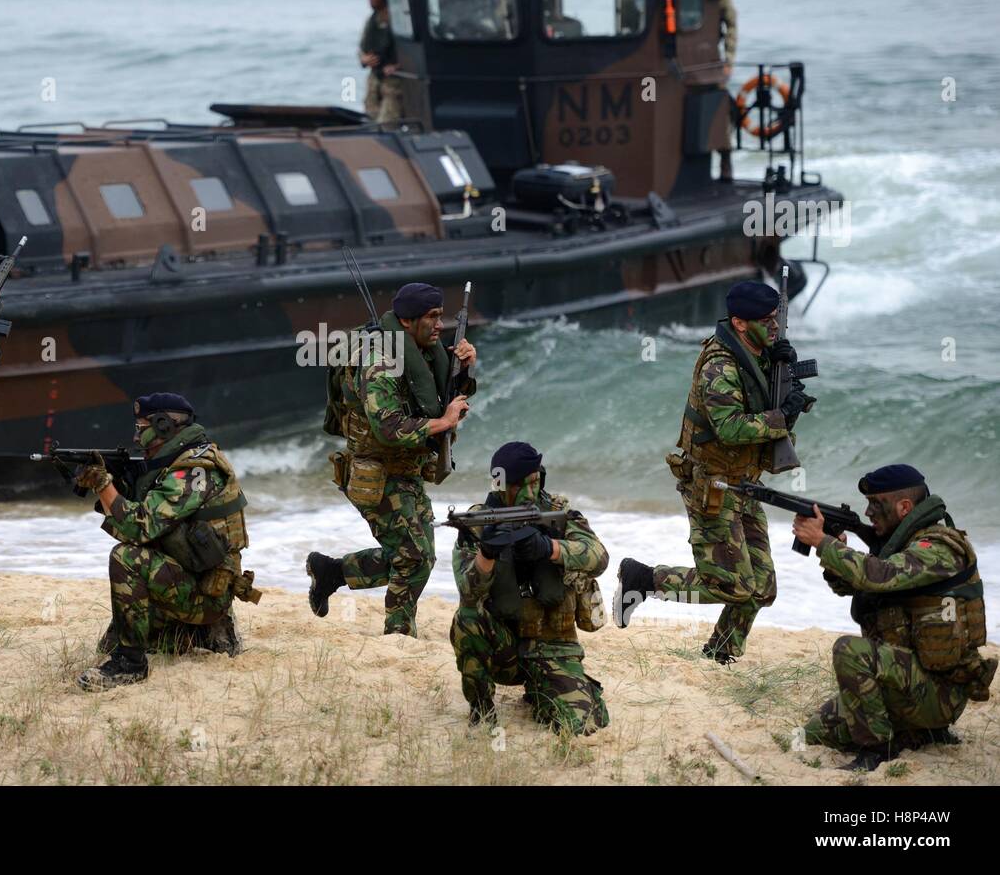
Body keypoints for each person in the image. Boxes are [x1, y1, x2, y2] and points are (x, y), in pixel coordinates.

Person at [614, 280, 814, 661]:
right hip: (714, 487)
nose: (774, 328)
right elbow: (732, 427)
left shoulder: (756, 353)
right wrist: (782, 416)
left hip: (744, 485)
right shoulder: (719, 366)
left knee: (763, 587)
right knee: (734, 586)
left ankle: (721, 652)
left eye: (776, 320)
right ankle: (643, 580)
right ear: (739, 323)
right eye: (766, 321)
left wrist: (783, 375)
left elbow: (765, 405)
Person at [792, 465, 996, 771]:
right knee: (816, 733)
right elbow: (856, 586)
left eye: (877, 504)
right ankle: (918, 733)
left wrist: (822, 542)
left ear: (904, 507)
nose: (869, 512)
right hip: (906, 683)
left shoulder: (939, 548)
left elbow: (880, 575)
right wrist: (836, 551)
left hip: (939, 692)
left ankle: (877, 749)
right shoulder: (899, 546)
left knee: (849, 650)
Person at [306, 282, 476, 637]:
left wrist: (464, 369)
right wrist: (443, 422)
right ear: (406, 321)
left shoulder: (423, 353)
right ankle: (398, 633)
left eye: (441, 316)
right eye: (432, 317)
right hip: (377, 473)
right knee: (413, 557)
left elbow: (438, 397)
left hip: (405, 470)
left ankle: (333, 572)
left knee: (418, 555)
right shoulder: (379, 362)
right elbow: (387, 427)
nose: (439, 325)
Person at [74, 393, 262, 690]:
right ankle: (194, 634)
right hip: (196, 582)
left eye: (141, 426)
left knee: (126, 557)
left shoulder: (195, 469)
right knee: (109, 644)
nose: (137, 435)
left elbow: (140, 527)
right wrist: (114, 487)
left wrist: (103, 485)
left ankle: (130, 666)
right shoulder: (178, 461)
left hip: (207, 596)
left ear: (163, 425)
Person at [450, 442, 610, 734]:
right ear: (500, 485)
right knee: (467, 619)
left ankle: (542, 691)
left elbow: (599, 557)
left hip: (554, 647)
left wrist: (549, 548)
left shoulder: (558, 512)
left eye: (534, 482)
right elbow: (467, 591)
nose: (528, 493)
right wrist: (487, 554)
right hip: (504, 649)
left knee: (582, 724)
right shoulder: (478, 521)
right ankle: (481, 710)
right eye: (518, 486)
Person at [359, 0, 403, 124]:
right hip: (375, 79)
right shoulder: (372, 21)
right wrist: (364, 59)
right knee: (370, 119)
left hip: (393, 81)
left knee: (387, 123)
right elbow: (362, 47)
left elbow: (410, 50)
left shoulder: (399, 20)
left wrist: (397, 66)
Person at [717, 0, 738, 182]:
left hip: (709, 61)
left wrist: (728, 58)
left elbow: (731, 20)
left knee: (720, 109)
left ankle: (726, 161)